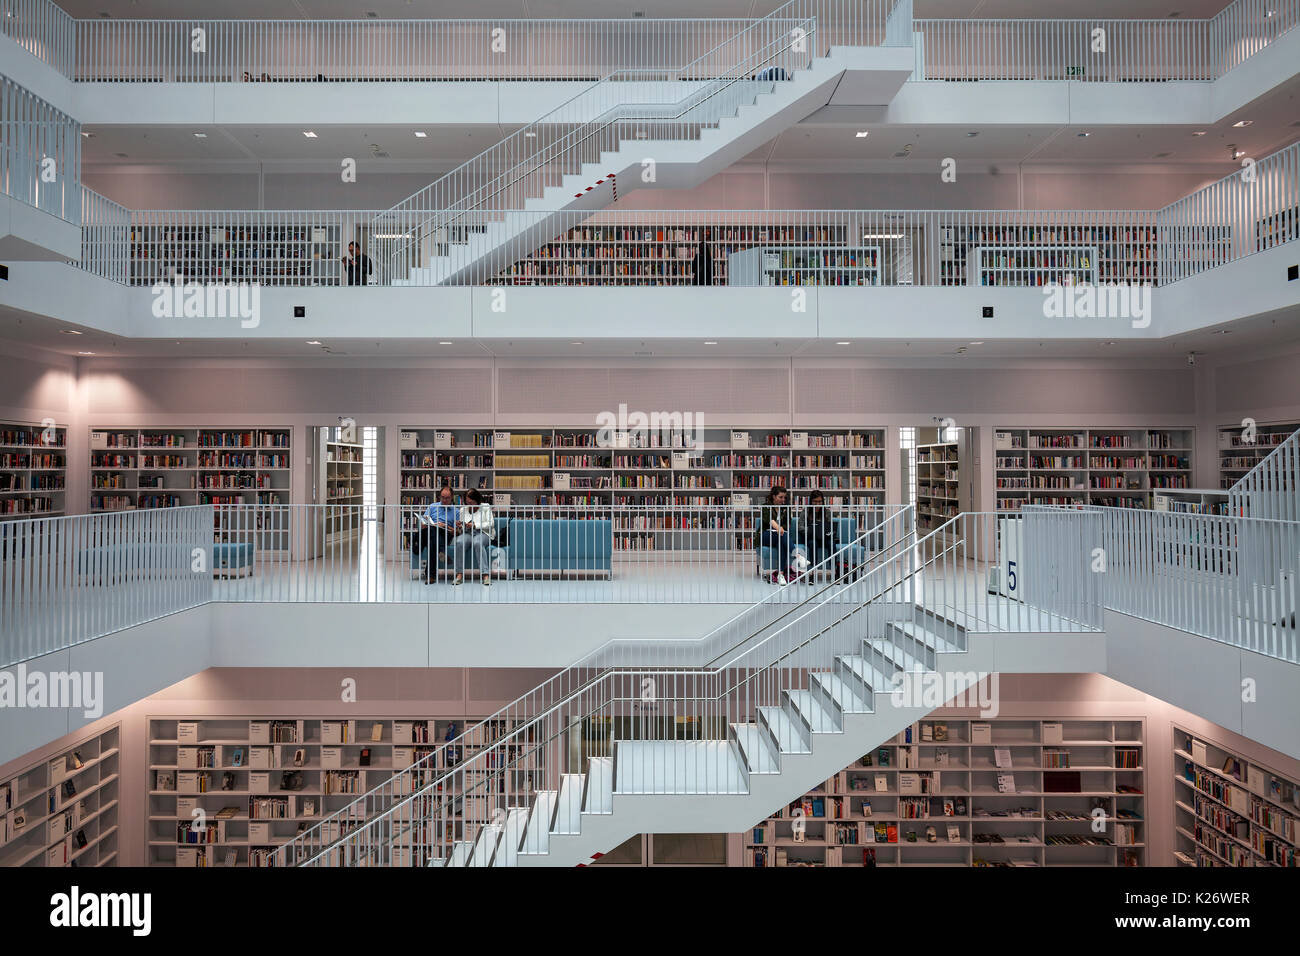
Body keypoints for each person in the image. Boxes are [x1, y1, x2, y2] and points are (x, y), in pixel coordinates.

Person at [450, 488, 495, 587]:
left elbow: (491, 524)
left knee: (477, 542)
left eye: (472, 502)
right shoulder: (463, 510)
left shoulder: (486, 507)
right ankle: (459, 574)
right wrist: (460, 526)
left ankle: (485, 575)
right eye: (467, 502)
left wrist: (475, 525)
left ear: (477, 500)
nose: (469, 505)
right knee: (459, 542)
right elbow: (462, 528)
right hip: (467, 533)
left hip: (483, 533)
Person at [419, 486, 457, 584]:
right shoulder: (432, 506)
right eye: (442, 497)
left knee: (433, 539)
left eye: (447, 498)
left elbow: (456, 531)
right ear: (439, 497)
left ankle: (430, 576)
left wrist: (446, 526)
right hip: (429, 532)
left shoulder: (456, 511)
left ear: (452, 497)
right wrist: (428, 524)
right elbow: (423, 523)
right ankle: (440, 552)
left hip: (445, 533)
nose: (444, 500)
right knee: (432, 530)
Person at [757, 485, 792, 585]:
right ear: (773, 496)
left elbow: (788, 523)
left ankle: (780, 574)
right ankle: (797, 554)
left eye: (784, 497)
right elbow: (767, 521)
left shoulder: (786, 508)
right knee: (783, 536)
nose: (783, 499)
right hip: (766, 535)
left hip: (780, 535)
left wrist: (781, 528)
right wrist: (778, 528)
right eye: (780, 497)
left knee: (781, 543)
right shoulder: (765, 507)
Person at [802, 490, 837, 583]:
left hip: (825, 538)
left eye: (820, 501)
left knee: (832, 544)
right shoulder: (806, 511)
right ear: (811, 501)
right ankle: (812, 573)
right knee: (813, 543)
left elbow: (830, 527)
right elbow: (800, 526)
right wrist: (810, 530)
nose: (817, 504)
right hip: (811, 537)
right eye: (815, 501)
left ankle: (835, 572)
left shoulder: (827, 512)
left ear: (823, 501)